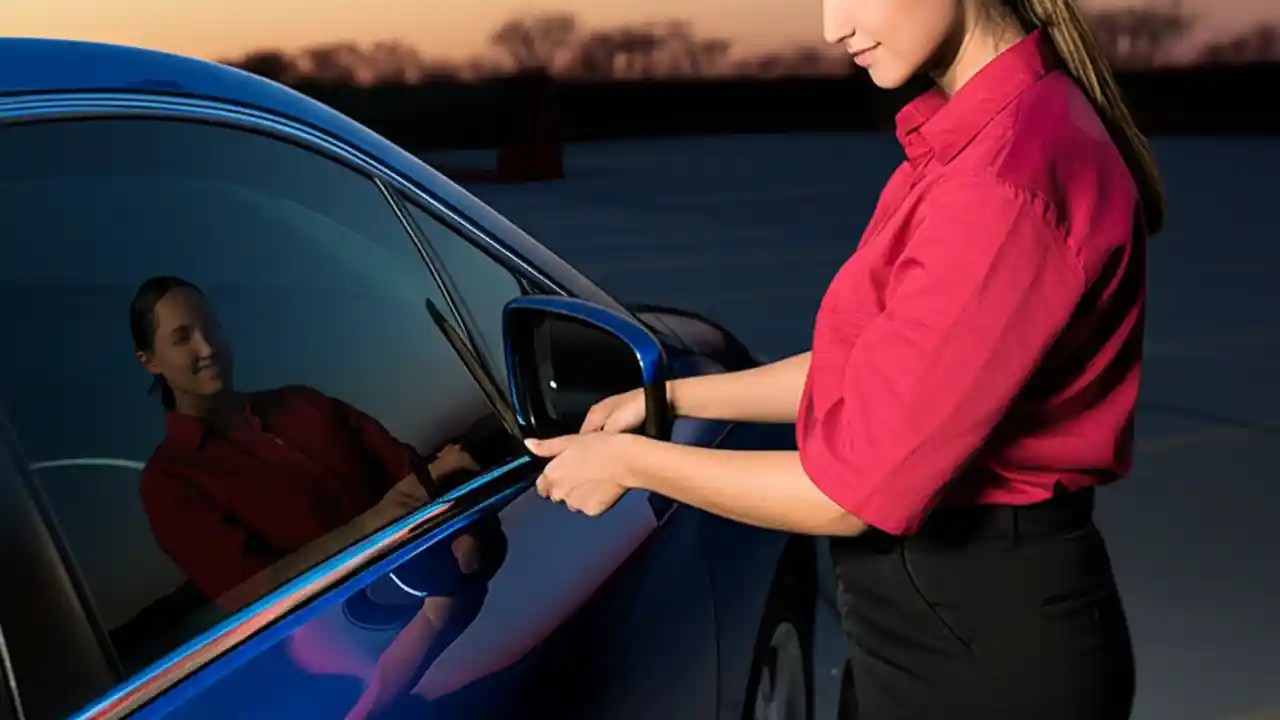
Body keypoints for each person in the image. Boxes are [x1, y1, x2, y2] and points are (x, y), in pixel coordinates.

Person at [525, 0, 1159, 717]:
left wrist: (634, 465)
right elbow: (865, 369)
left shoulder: (999, 184)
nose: (834, 26)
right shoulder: (992, 138)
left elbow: (848, 494)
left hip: (981, 650)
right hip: (950, 625)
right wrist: (671, 399)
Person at [130, 276, 481, 608]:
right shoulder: (171, 482)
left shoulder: (302, 404)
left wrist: (461, 527)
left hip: (447, 576)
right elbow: (253, 592)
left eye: (211, 327)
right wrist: (380, 519)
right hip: (350, 640)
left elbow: (408, 468)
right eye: (182, 338)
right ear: (149, 362)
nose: (206, 347)